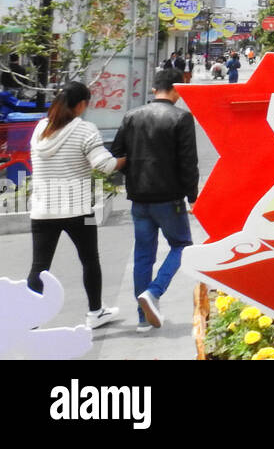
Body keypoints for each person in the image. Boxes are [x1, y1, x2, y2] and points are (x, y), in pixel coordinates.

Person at [26, 81, 126, 330]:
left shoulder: (40, 130)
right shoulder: (85, 130)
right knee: (90, 260)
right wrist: (127, 159)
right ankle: (95, 313)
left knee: (40, 266)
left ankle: (27, 317)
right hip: (79, 208)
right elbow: (105, 166)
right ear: (81, 104)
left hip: (42, 209)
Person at [110, 68, 198, 331]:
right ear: (177, 89)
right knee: (182, 245)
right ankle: (154, 291)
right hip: (169, 198)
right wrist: (192, 196)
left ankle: (141, 319)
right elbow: (187, 162)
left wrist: (133, 174)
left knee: (143, 255)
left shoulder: (132, 116)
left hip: (139, 198)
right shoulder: (181, 118)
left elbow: (117, 154)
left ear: (153, 89)